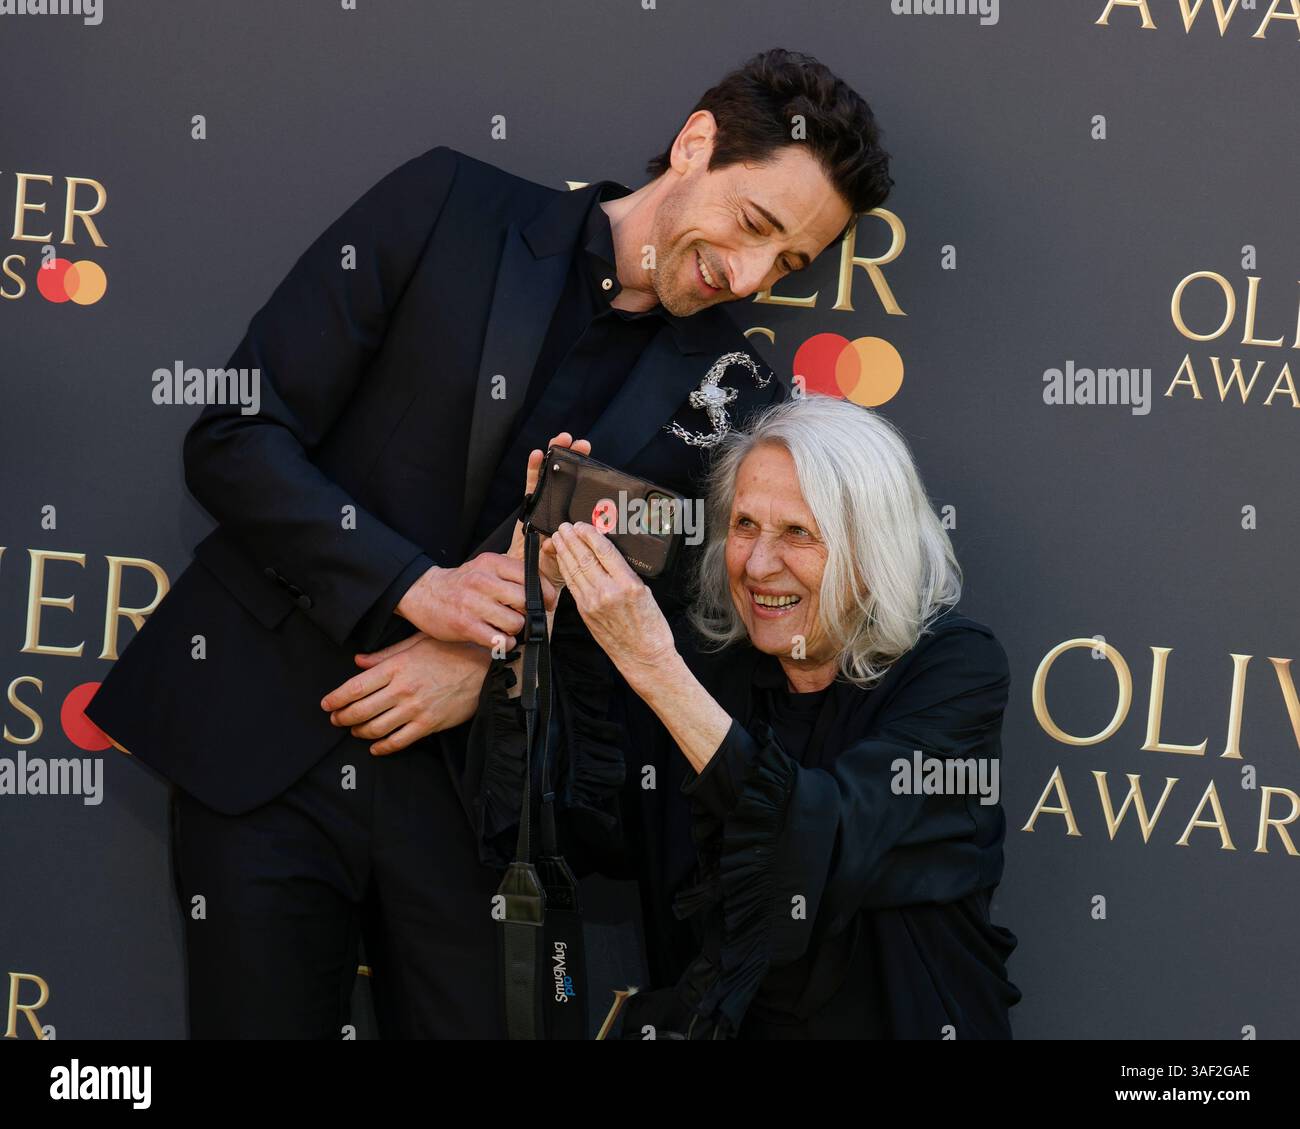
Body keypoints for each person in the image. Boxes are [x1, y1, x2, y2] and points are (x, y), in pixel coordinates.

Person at [83, 50, 895, 1037]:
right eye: (756, 226)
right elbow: (236, 436)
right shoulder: (451, 207)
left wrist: (491, 662)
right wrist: (417, 589)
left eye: (789, 265)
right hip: (268, 740)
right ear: (695, 145)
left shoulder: (737, 398)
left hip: (491, 817)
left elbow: (669, 634)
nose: (750, 274)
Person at [464, 395, 1022, 1039]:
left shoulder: (954, 670)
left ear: (874, 551)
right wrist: (531, 621)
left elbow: (819, 845)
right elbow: (543, 827)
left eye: (797, 533)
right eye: (746, 525)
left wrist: (655, 669)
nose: (758, 565)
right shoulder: (711, 669)